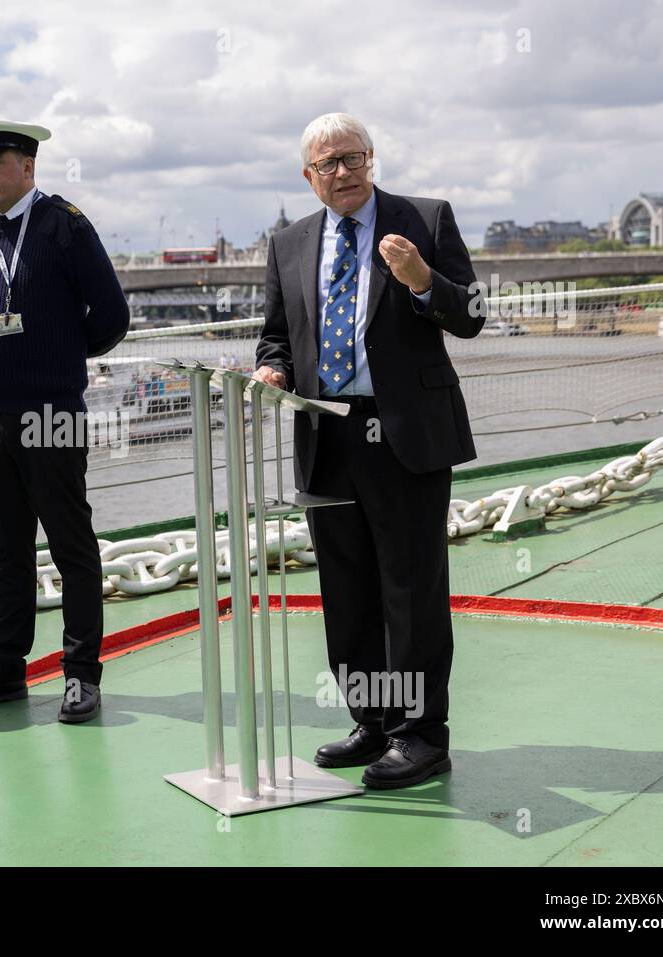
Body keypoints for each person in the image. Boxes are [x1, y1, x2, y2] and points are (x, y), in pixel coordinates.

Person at [253, 112, 483, 789]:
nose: (343, 171)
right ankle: (373, 720)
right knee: (345, 588)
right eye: (328, 164)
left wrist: (419, 280)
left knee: (410, 590)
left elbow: (469, 315)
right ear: (309, 176)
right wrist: (273, 369)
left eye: (353, 157)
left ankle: (421, 736)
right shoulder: (288, 243)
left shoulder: (426, 218)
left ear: (372, 158)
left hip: (404, 432)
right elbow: (275, 335)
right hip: (326, 430)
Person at [0, 120, 130, 722]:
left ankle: (81, 674)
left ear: (28, 165)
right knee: (7, 546)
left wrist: (58, 360)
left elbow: (111, 314)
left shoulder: (64, 225)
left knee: (71, 542)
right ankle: (5, 670)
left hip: (50, 413)